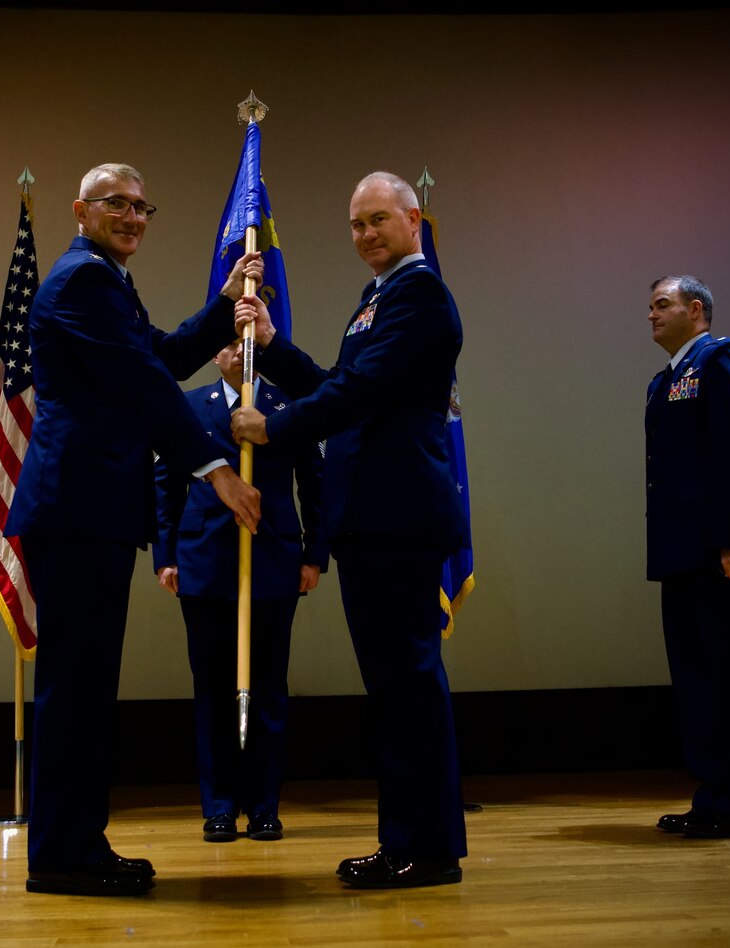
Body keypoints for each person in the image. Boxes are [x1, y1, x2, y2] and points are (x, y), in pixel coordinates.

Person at [4, 163, 263, 896]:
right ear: (81, 209)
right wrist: (215, 469)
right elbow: (147, 385)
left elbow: (159, 357)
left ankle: (77, 844)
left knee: (85, 691)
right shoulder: (82, 280)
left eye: (142, 206)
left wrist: (224, 307)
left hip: (91, 511)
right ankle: (61, 854)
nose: (132, 216)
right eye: (116, 203)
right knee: (74, 691)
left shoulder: (106, 282)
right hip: (78, 508)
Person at [231, 171, 468, 889]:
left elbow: (360, 392)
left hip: (399, 512)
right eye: (356, 224)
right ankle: (406, 839)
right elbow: (342, 381)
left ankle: (424, 848)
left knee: (408, 687)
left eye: (377, 220)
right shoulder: (377, 298)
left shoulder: (420, 294)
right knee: (393, 692)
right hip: (369, 514)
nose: (365, 234)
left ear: (413, 218)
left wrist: (272, 427)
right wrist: (271, 347)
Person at [153, 339, 327, 844]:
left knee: (270, 686)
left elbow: (315, 481)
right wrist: (166, 556)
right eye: (227, 340)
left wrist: (314, 554)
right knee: (211, 688)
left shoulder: (286, 409)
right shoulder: (188, 406)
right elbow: (166, 482)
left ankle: (265, 805)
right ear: (214, 353)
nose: (237, 348)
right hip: (203, 561)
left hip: (273, 561)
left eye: (245, 339)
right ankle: (220, 806)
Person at [645, 275, 730, 838]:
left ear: (696, 310)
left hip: (723, 555)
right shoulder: (663, 379)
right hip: (682, 556)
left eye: (662, 304)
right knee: (696, 683)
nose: (651, 314)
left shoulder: (722, 361)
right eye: (649, 306)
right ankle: (712, 797)